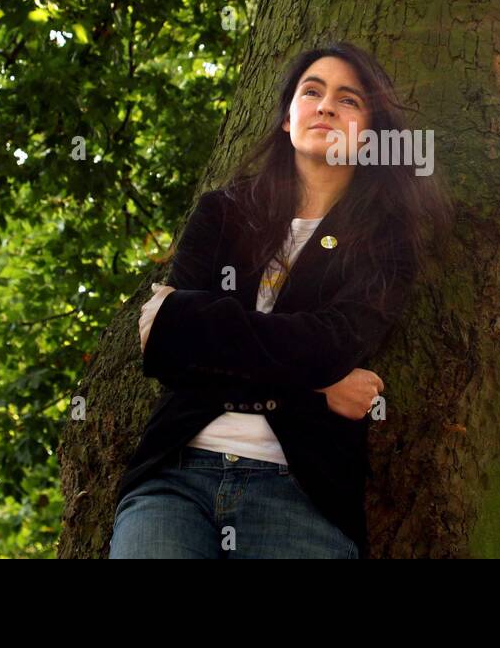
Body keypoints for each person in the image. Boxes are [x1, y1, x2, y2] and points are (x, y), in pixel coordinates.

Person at [109, 40, 452, 559]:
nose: (327, 105)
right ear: (288, 119)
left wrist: (205, 328)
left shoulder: (386, 241)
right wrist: (320, 386)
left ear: (370, 136)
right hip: (174, 478)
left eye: (349, 99)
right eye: (311, 91)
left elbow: (332, 346)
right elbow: (168, 343)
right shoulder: (221, 213)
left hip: (301, 492)